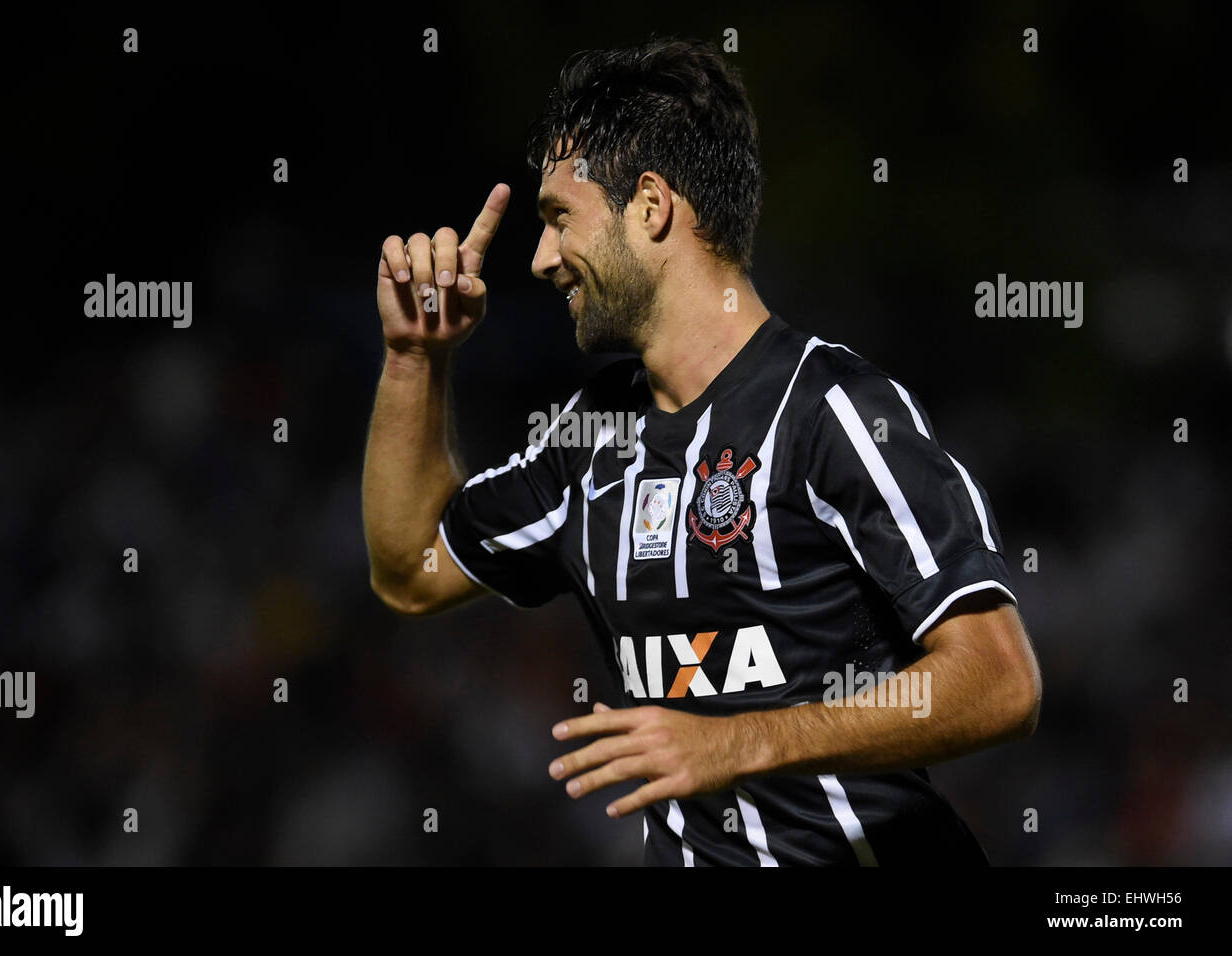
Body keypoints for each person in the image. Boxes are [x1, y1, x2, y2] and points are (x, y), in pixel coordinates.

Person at [362, 37, 1041, 865]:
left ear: (649, 206)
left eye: (558, 219)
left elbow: (1001, 679)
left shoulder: (832, 409)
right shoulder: (590, 439)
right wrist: (413, 359)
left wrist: (736, 742)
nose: (539, 260)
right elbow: (409, 570)